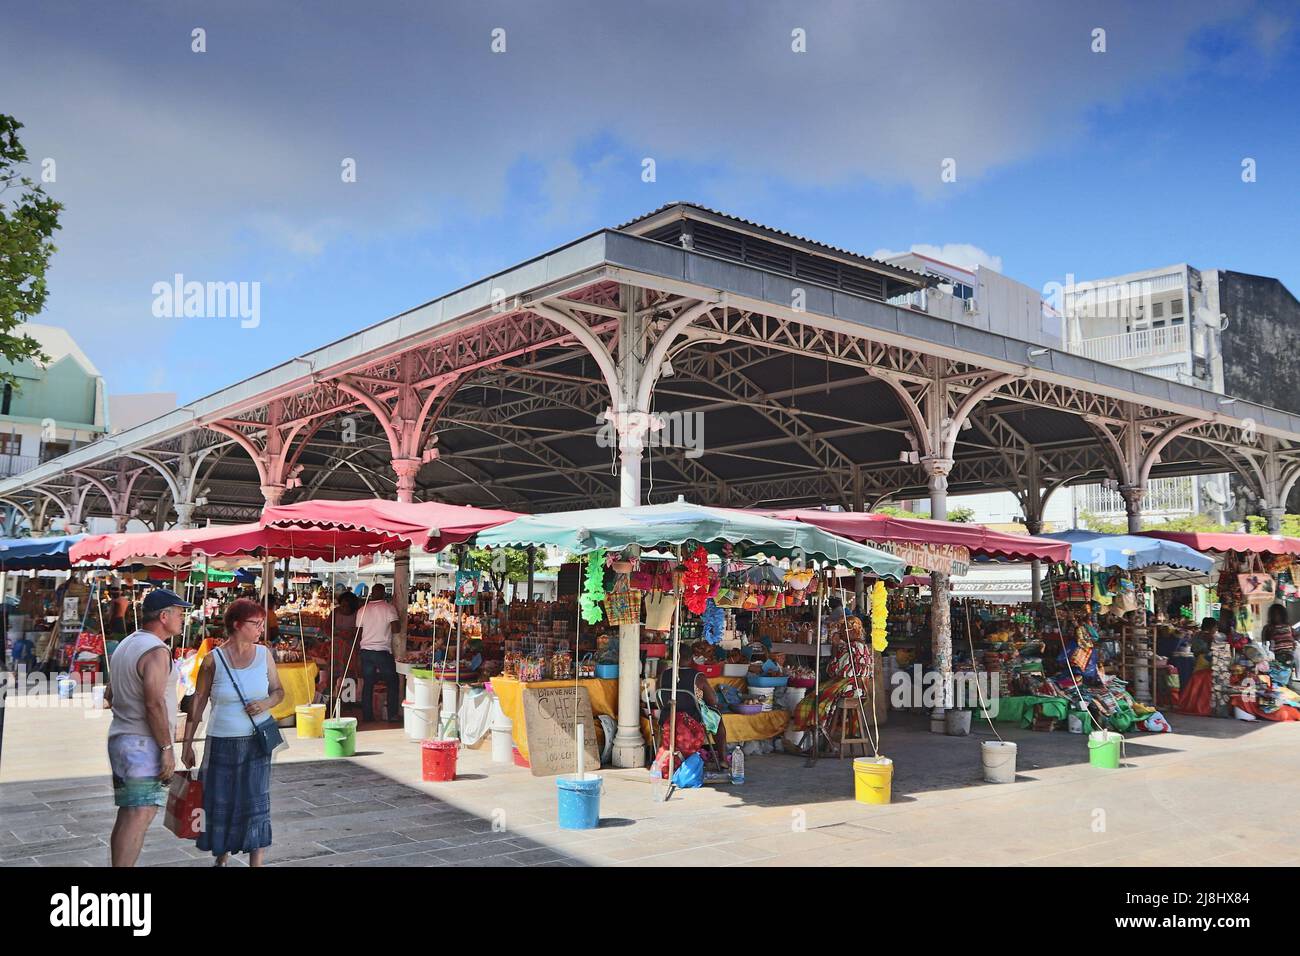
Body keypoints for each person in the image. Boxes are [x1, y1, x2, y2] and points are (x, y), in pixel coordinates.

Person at [182, 597, 284, 867]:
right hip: (221, 741)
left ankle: (256, 863)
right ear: (237, 625)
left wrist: (265, 703)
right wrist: (187, 743)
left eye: (262, 624)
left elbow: (279, 691)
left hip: (256, 741)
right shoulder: (212, 661)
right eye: (256, 624)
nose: (261, 628)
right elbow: (198, 703)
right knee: (221, 799)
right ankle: (222, 857)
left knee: (256, 801)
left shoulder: (264, 655)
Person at [104, 588, 190, 867]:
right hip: (141, 743)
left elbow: (110, 694)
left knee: (130, 812)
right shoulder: (155, 651)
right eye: (179, 613)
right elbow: (153, 703)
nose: (182, 619)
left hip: (122, 737)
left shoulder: (128, 643)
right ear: (163, 616)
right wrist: (166, 748)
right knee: (140, 813)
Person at [792, 617, 874, 737]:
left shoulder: (849, 647)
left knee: (813, 699)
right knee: (822, 691)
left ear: (849, 631)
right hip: (860, 688)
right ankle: (824, 735)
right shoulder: (864, 646)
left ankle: (820, 730)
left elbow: (833, 671)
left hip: (849, 687)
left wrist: (835, 646)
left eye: (841, 630)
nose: (840, 633)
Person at [656, 640, 728, 761]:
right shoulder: (698, 676)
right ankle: (723, 760)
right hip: (691, 719)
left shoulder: (663, 675)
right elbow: (712, 700)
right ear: (691, 658)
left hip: (668, 718)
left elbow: (659, 697)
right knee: (718, 720)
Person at [356, 583, 400, 723]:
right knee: (392, 682)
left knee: (368, 683)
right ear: (383, 594)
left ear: (372, 593)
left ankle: (367, 716)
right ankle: (392, 714)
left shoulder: (362, 609)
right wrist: (400, 618)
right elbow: (396, 629)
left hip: (366, 651)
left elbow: (359, 632)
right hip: (382, 651)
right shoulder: (389, 608)